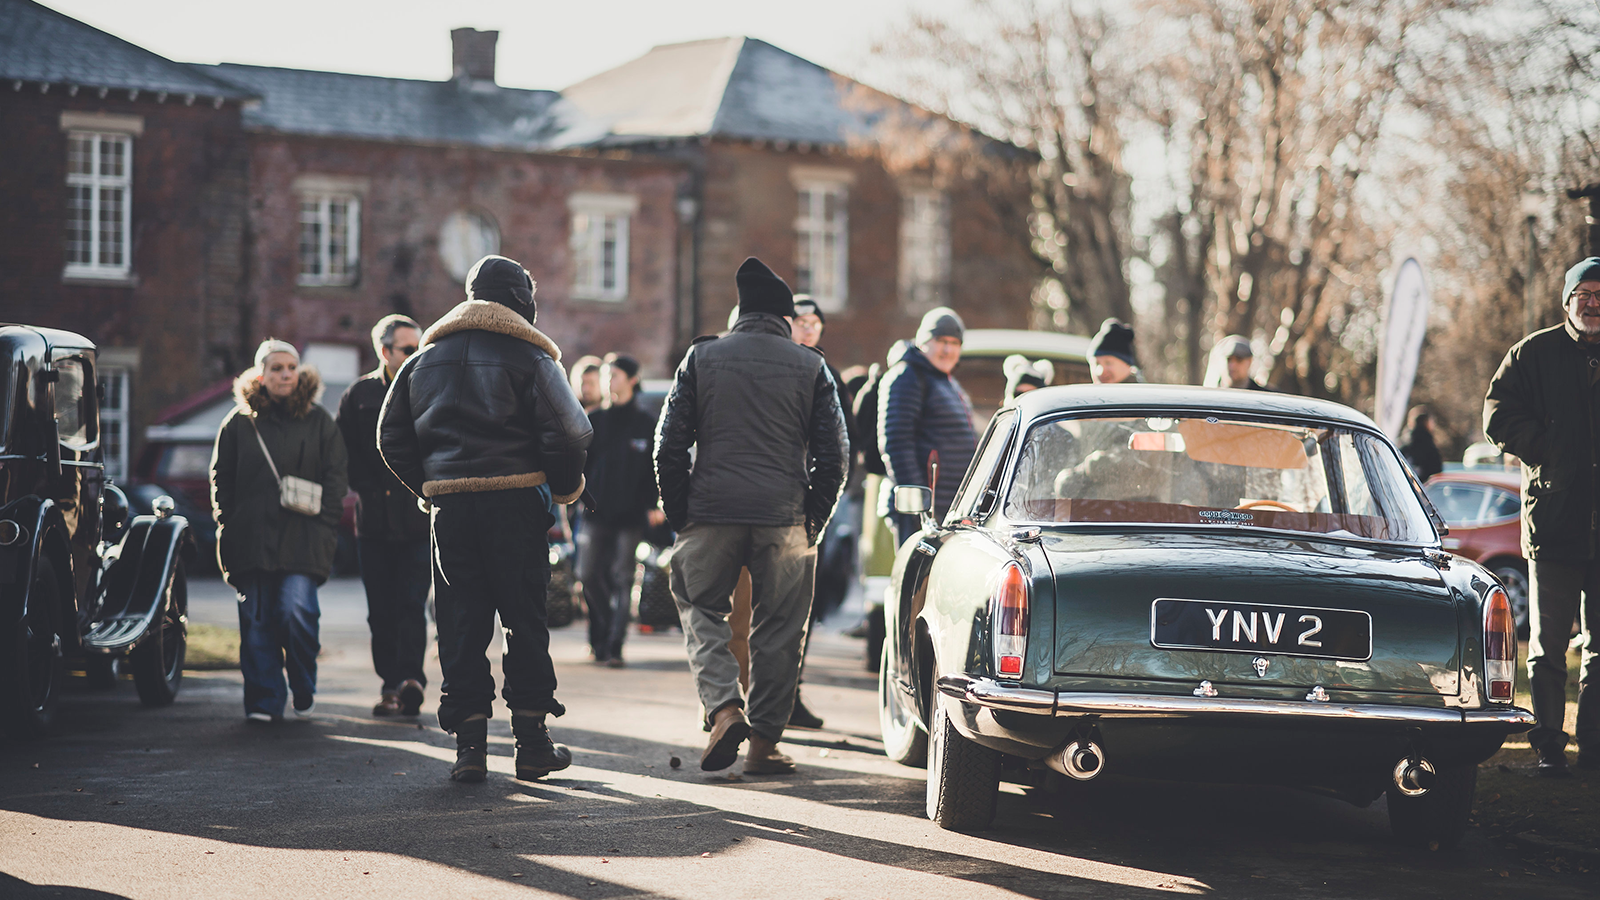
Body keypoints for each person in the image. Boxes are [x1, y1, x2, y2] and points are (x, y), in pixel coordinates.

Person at [379, 255, 593, 784]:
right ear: (523, 301)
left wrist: (429, 487)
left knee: (460, 624)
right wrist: (564, 488)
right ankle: (532, 744)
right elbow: (571, 432)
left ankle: (469, 749)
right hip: (515, 503)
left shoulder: (421, 360)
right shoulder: (531, 358)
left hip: (451, 510)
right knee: (525, 622)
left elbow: (389, 436)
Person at [655, 257, 849, 774]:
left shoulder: (702, 357)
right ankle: (764, 743)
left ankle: (723, 708)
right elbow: (835, 457)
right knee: (782, 628)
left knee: (701, 608)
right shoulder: (812, 366)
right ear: (786, 319)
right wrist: (813, 521)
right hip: (784, 515)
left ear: (740, 313)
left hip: (710, 512)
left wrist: (682, 513)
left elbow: (667, 445)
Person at [1484, 256, 1600, 777]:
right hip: (1554, 521)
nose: (1593, 303)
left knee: (1599, 650)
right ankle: (1550, 745)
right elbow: (1496, 412)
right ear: (1567, 301)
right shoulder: (1533, 353)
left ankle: (1594, 747)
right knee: (1549, 646)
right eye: (1584, 294)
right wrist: (1547, 448)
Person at [211, 339, 348, 723]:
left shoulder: (319, 421)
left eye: (291, 367)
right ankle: (263, 701)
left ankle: (303, 682)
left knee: (295, 612)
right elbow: (221, 478)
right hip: (250, 540)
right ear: (261, 374)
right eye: (276, 368)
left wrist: (325, 526)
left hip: (304, 541)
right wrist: (228, 521)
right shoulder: (238, 423)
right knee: (256, 623)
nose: (285, 374)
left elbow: (336, 477)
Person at [337, 314, 432, 718]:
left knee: (413, 603)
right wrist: (369, 488)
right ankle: (389, 684)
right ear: (384, 351)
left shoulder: (427, 387)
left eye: (420, 348)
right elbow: (342, 454)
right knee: (381, 609)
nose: (416, 355)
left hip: (416, 519)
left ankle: (412, 679)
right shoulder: (358, 395)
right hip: (373, 522)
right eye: (408, 349)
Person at [788, 296, 855, 730]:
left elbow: (843, 445)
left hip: (813, 502)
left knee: (800, 604)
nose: (809, 328)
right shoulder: (781, 365)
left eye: (816, 322)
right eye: (801, 320)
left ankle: (789, 692)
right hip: (776, 495)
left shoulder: (828, 375)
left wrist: (821, 504)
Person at [580, 352, 664, 668]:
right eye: (606, 375)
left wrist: (655, 503)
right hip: (595, 512)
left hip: (630, 516)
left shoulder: (645, 423)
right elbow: (580, 464)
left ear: (631, 380)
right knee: (588, 575)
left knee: (622, 578)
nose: (608, 381)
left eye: (614, 375)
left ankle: (614, 645)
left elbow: (654, 469)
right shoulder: (594, 421)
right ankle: (598, 635)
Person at [879, 307, 979, 546]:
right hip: (923, 515)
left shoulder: (947, 381)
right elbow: (896, 443)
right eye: (941, 341)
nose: (948, 349)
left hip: (946, 510)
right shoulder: (907, 377)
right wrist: (918, 508)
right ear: (923, 342)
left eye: (955, 343)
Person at [1088, 318, 1145, 385]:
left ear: (1127, 365)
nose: (1100, 372)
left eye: (1108, 363)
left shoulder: (1141, 394)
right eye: (1096, 363)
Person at [1203, 334, 1270, 390]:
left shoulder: (1262, 396)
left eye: (1239, 360)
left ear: (1250, 361)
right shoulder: (1211, 394)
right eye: (1229, 360)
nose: (1232, 365)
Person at [1399, 406, 1444, 483]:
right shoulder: (1430, 448)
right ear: (1427, 423)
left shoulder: (1403, 445)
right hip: (1424, 490)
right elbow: (1436, 476)